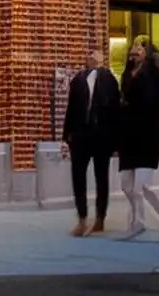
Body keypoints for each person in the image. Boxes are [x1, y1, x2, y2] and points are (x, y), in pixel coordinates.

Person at [117, 44, 159, 242]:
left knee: (142, 187)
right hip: (129, 135)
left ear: (146, 54)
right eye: (132, 50)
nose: (134, 53)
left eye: (139, 50)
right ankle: (139, 222)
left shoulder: (158, 76)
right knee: (127, 185)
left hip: (148, 133)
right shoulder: (126, 77)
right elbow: (122, 105)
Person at [62, 53, 121, 237]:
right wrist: (67, 136)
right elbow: (70, 109)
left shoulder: (110, 80)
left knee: (101, 177)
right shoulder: (78, 80)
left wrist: (116, 141)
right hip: (81, 136)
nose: (92, 58)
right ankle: (82, 218)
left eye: (96, 56)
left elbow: (115, 110)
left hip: (102, 136)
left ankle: (100, 218)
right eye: (90, 56)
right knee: (78, 176)